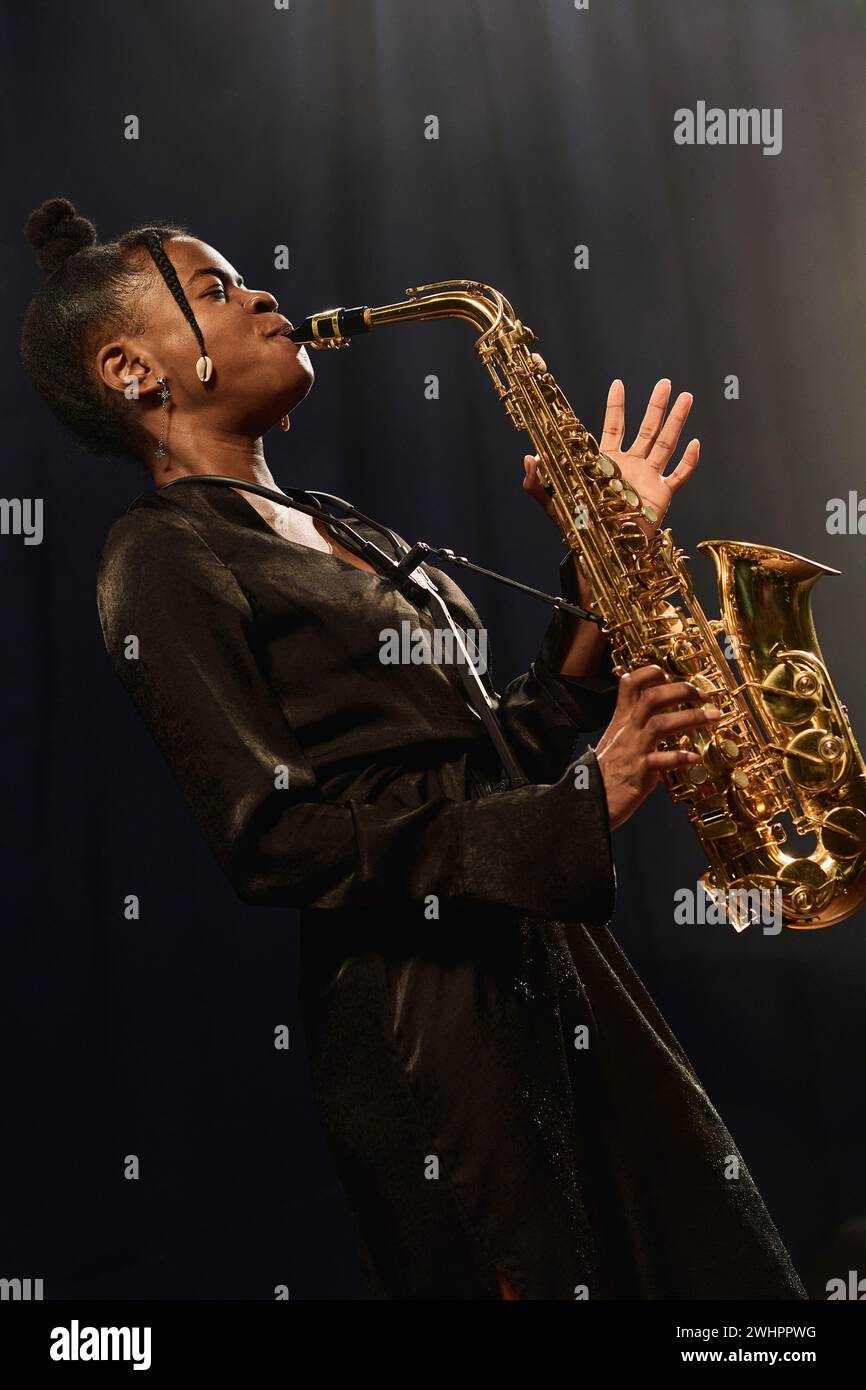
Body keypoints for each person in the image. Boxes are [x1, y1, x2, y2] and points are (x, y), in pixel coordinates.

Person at [20, 197, 808, 1301]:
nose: (260, 295)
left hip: (549, 964)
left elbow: (501, 748)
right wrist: (588, 799)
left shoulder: (356, 530)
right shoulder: (159, 554)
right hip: (426, 1024)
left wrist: (602, 555)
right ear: (132, 370)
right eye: (213, 290)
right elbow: (276, 843)